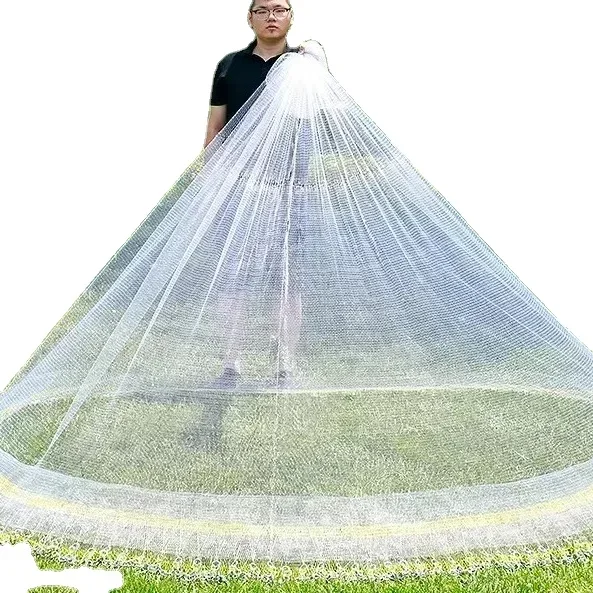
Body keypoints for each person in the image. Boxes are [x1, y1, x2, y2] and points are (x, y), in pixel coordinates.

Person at [203, 0, 307, 391]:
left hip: (291, 186)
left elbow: (326, 112)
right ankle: (231, 364)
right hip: (240, 186)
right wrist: (212, 181)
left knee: (288, 279)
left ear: (291, 18)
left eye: (280, 9)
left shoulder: (303, 66)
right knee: (236, 278)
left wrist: (318, 60)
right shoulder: (229, 66)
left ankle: (285, 366)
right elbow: (215, 128)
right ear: (250, 19)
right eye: (262, 10)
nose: (271, 16)